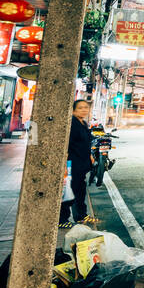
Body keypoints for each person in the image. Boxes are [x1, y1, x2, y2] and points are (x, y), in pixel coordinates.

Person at [62, 98, 98, 228]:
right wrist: (65, 165)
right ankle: (62, 219)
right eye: (80, 108)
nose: (83, 110)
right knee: (69, 190)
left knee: (80, 190)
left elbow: (85, 143)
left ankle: (81, 216)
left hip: (81, 163)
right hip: (72, 163)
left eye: (86, 108)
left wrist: (89, 155)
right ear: (73, 110)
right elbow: (67, 144)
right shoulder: (72, 123)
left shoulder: (83, 123)